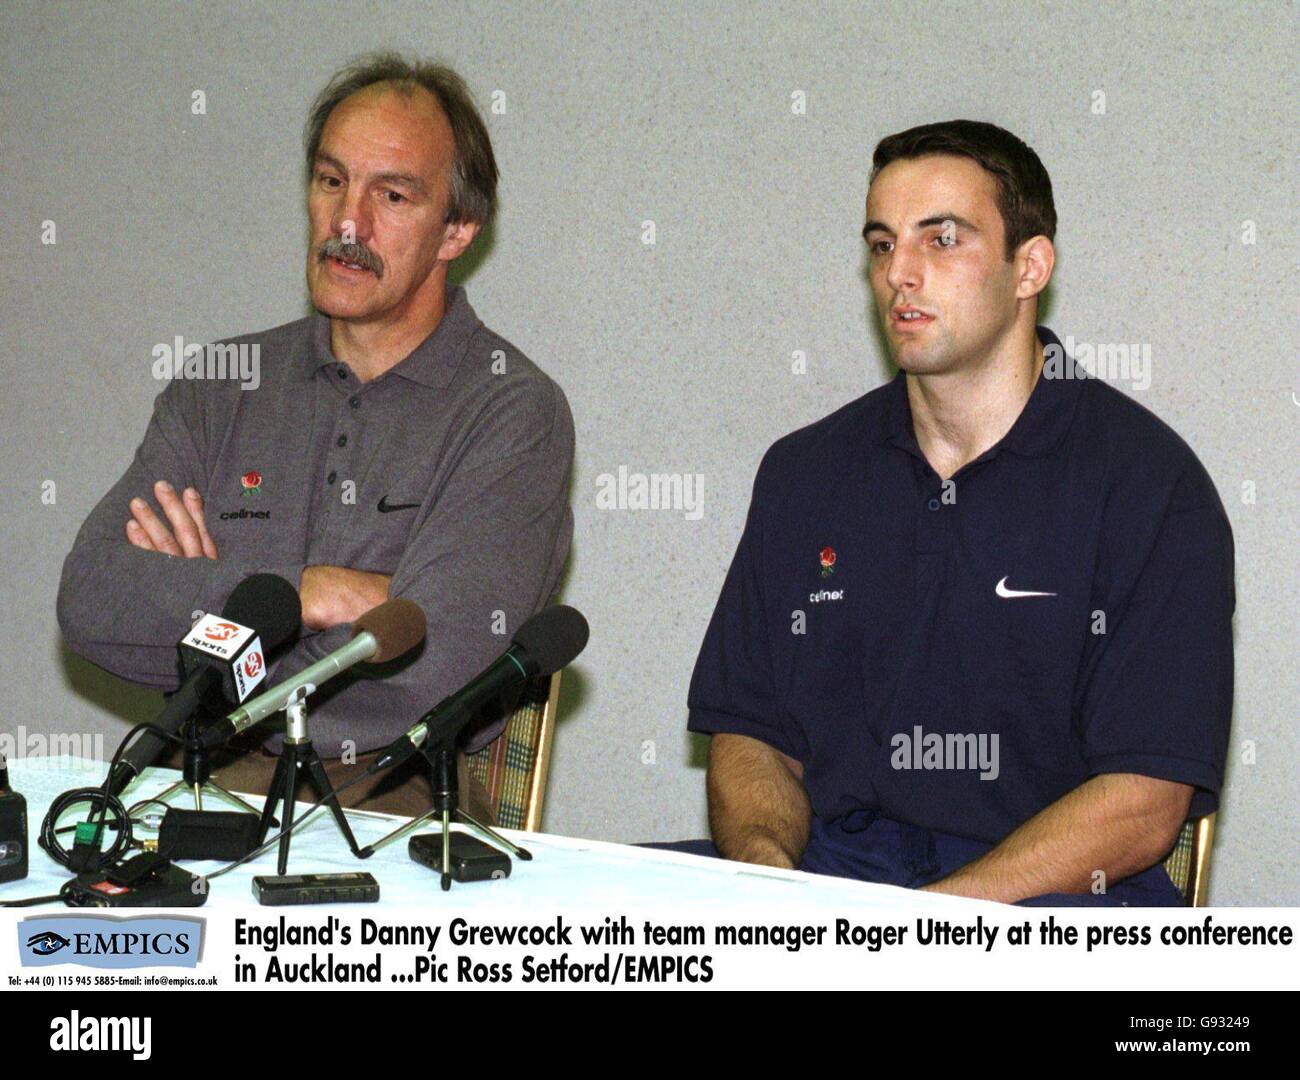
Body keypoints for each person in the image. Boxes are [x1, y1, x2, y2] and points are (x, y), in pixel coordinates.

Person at [676, 120, 1234, 905]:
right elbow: (751, 733)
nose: (900, 272)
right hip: (837, 871)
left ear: (1029, 265)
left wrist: (926, 926)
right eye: (881, 244)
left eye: (942, 240)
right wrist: (772, 879)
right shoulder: (806, 473)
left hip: (1051, 893)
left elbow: (1144, 802)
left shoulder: (1148, 486)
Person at [57, 53, 574, 819]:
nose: (347, 223)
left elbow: (442, 662)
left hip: (379, 798)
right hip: (189, 777)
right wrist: (311, 593)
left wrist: (205, 617)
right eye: (332, 181)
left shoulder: (511, 412)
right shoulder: (221, 384)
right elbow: (93, 600)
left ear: (456, 229)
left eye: (391, 195)